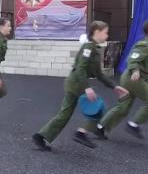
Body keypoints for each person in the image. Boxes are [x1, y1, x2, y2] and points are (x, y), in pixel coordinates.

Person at [33, 21, 129, 151]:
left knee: (65, 114)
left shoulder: (94, 49)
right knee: (98, 108)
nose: (107, 35)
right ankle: (81, 133)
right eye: (105, 32)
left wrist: (114, 86)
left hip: (76, 83)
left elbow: (99, 74)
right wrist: (87, 88)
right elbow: (80, 69)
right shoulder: (88, 48)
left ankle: (40, 136)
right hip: (76, 83)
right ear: (96, 32)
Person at [97, 19, 148, 139]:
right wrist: (135, 70)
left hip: (132, 78)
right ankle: (133, 124)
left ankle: (101, 127)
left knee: (123, 108)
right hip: (133, 78)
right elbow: (132, 59)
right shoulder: (144, 44)